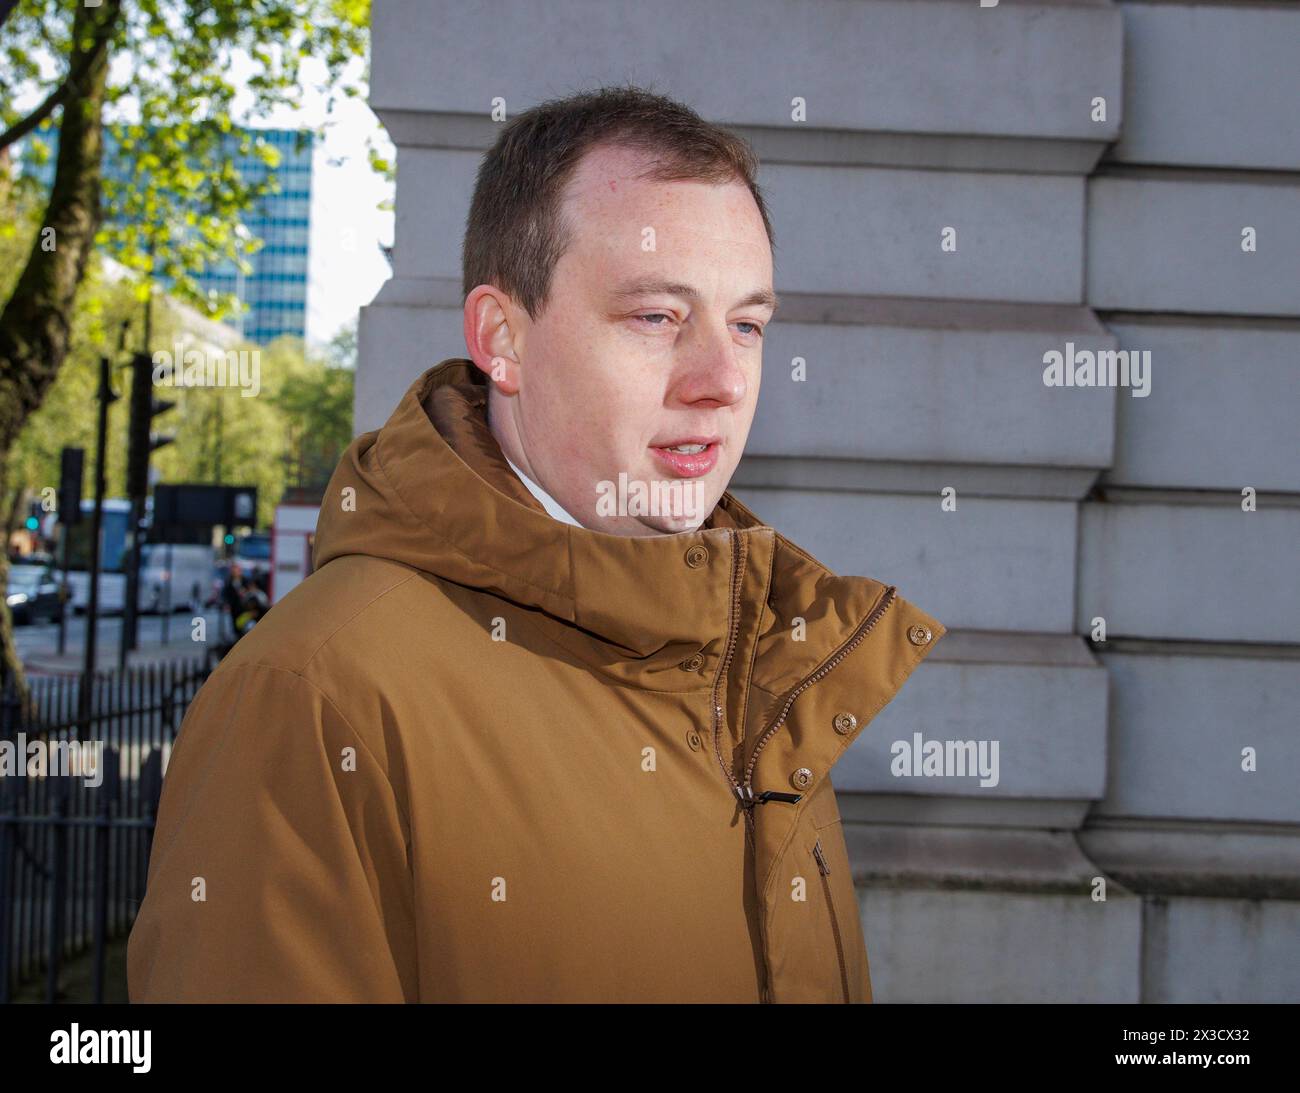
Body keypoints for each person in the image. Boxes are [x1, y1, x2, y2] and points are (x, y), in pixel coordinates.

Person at [127, 85, 946, 1003]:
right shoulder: (318, 696)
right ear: (502, 338)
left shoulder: (767, 655)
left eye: (747, 324)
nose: (722, 380)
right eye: (657, 317)